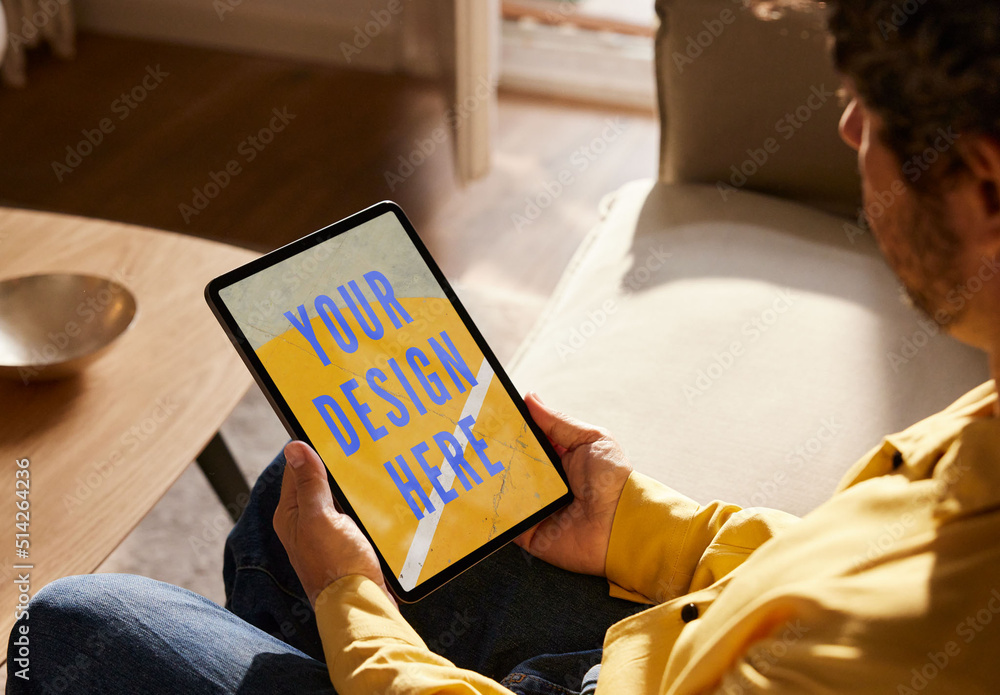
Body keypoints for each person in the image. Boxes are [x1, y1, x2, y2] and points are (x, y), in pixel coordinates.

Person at [10, 0, 1000, 692]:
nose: (844, 128)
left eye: (870, 112)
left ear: (983, 183)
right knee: (309, 486)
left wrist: (353, 602)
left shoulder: (929, 628)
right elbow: (842, 573)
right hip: (670, 653)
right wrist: (633, 522)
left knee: (73, 621)